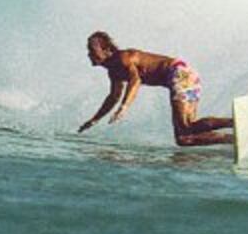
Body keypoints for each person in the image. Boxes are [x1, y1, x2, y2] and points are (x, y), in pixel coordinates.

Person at [77, 30, 234, 147]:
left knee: (186, 128)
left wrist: (124, 107)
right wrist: (94, 120)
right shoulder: (114, 72)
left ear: (106, 50)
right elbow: (113, 97)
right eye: (88, 50)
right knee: (184, 138)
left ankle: (233, 124)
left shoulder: (123, 58)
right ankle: (231, 138)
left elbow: (135, 80)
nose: (89, 54)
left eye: (92, 50)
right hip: (187, 75)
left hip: (179, 74)